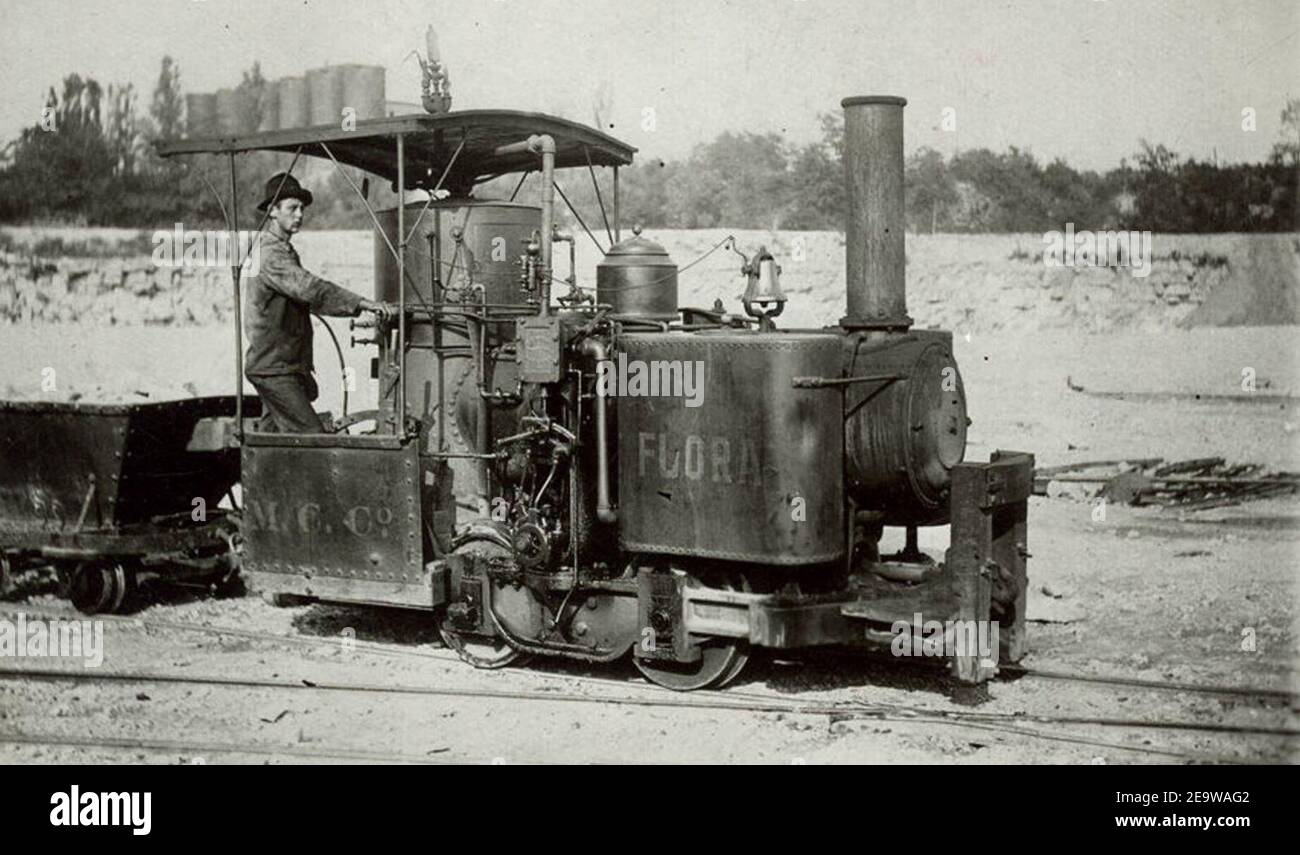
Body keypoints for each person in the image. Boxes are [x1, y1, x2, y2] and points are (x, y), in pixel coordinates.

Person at [243, 172, 393, 433]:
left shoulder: (281, 250)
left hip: (280, 365)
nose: (300, 214)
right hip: (275, 369)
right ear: (272, 211)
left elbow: (308, 297)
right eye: (292, 208)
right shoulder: (270, 255)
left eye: (302, 208)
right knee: (311, 438)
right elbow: (312, 290)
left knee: (272, 441)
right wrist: (364, 304)